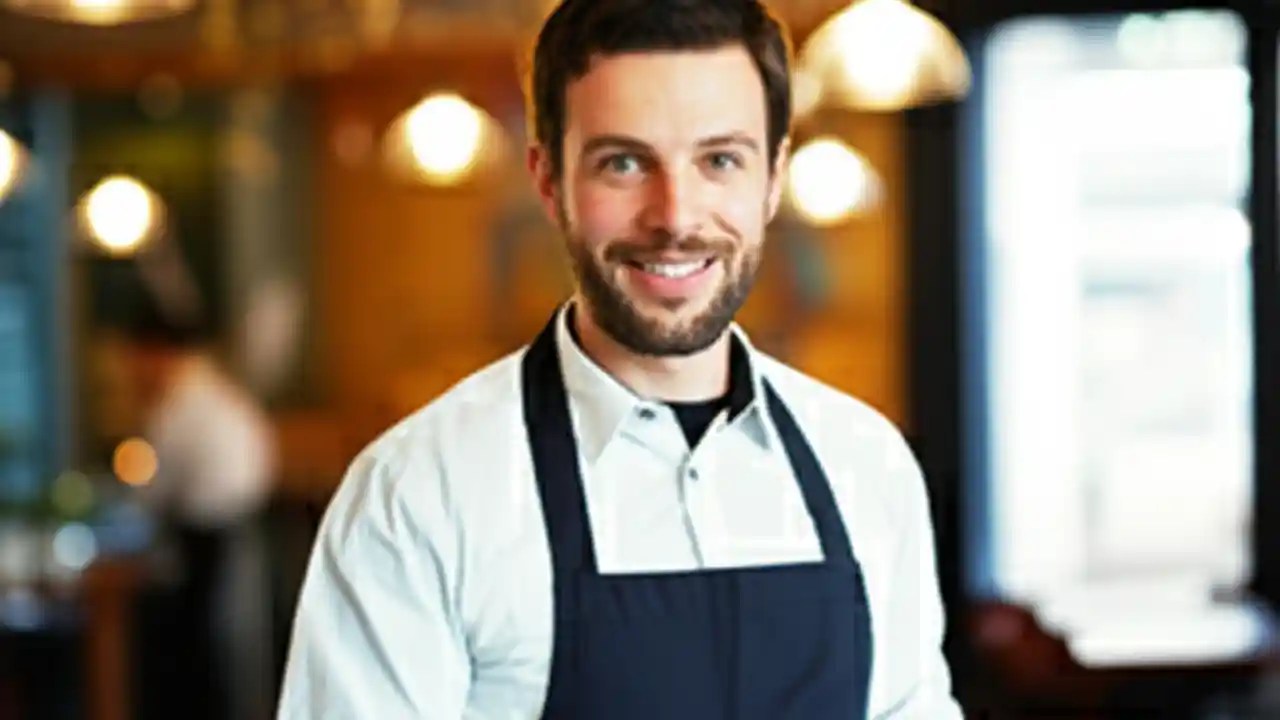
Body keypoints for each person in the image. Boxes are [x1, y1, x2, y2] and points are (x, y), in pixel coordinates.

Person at [278, 0, 962, 717]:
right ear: (548, 180)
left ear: (773, 178)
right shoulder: (419, 493)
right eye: (624, 163)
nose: (674, 216)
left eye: (719, 159)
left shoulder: (867, 467)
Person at [119, 272, 276, 720]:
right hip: (244, 528)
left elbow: (153, 491)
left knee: (205, 652)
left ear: (154, 352)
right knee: (234, 652)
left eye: (135, 356)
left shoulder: (181, 400)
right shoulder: (214, 389)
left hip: (213, 536)